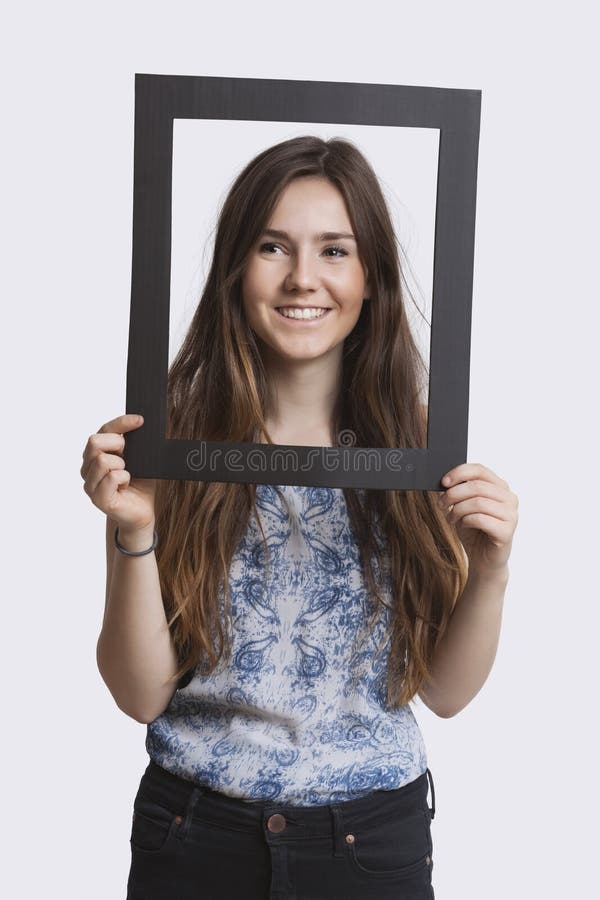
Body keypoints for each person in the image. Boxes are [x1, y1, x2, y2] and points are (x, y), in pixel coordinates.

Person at [80, 135, 518, 899]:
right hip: (194, 833)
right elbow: (139, 694)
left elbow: (445, 695)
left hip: (370, 843)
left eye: (335, 250)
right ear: (236, 270)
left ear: (372, 275)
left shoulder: (418, 449)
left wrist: (490, 572)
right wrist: (133, 532)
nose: (303, 278)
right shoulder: (170, 444)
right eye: (273, 247)